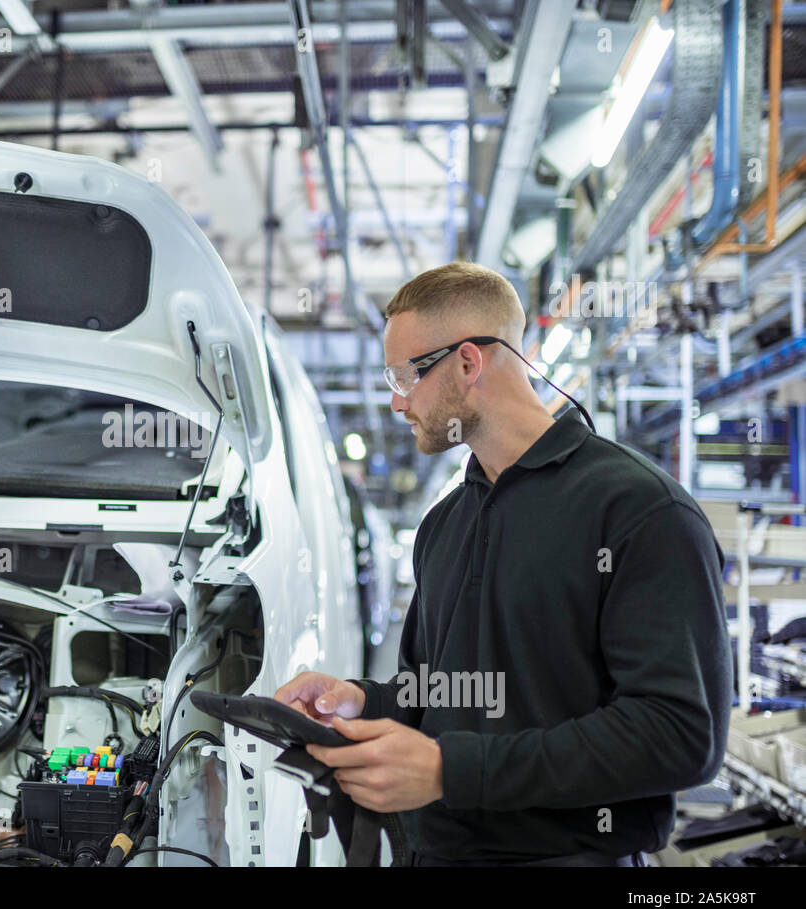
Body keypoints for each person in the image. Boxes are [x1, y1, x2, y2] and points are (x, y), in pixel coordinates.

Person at [275, 262, 731, 866]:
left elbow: (678, 734)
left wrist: (451, 771)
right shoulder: (445, 524)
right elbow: (431, 689)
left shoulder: (637, 511)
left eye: (406, 375)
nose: (395, 400)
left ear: (468, 363)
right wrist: (359, 701)